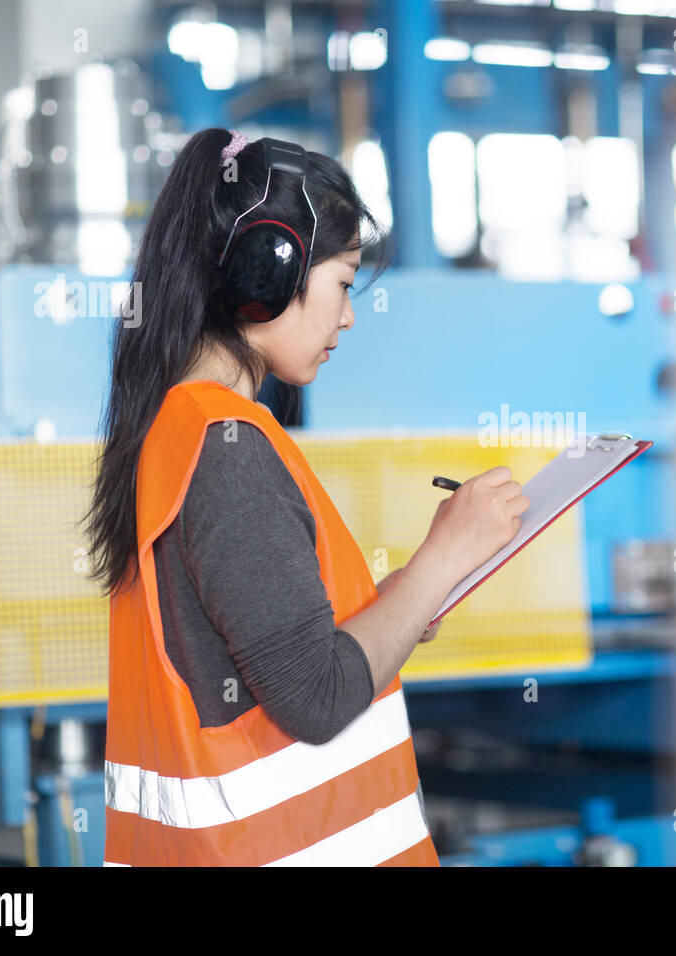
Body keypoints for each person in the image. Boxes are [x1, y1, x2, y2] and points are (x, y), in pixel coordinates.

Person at [81, 127, 529, 866]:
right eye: (345, 284)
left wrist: (398, 605)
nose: (348, 317)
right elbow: (316, 698)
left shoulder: (179, 430)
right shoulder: (227, 451)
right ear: (269, 270)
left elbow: (272, 652)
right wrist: (443, 559)